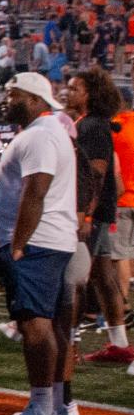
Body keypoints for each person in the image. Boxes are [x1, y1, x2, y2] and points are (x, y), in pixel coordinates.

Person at [0, 72, 81, 415]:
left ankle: (43, 408)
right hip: (51, 239)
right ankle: (54, 406)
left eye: (13, 94)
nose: (6, 100)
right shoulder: (46, 132)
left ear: (35, 99)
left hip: (38, 241)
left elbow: (35, 191)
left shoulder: (40, 135)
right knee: (52, 322)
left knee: (35, 324)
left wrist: (18, 242)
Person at [84, 73, 134, 367]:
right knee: (110, 264)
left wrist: (88, 211)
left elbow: (107, 172)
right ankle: (118, 336)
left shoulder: (112, 129)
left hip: (119, 201)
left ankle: (116, 310)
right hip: (124, 200)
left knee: (115, 259)